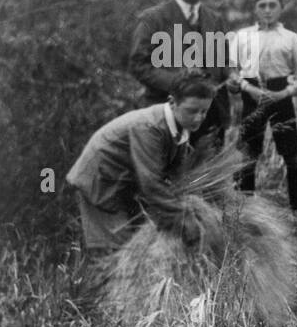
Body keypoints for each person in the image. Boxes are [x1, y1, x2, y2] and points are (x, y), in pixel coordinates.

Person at [67, 73, 217, 255]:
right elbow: (151, 184)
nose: (198, 118)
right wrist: (183, 217)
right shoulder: (149, 128)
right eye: (192, 111)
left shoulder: (180, 127)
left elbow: (176, 173)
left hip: (126, 185)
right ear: (172, 102)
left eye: (204, 112)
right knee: (118, 253)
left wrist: (192, 205)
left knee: (142, 245)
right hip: (101, 184)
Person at [128, 0, 238, 146]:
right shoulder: (153, 19)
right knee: (170, 172)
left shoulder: (216, 20)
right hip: (168, 115)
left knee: (208, 174)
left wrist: (231, 77)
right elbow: (139, 65)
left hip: (210, 117)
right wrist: (179, 81)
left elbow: (223, 64)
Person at [233, 0, 297, 211]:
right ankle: (244, 208)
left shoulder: (291, 38)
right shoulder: (242, 36)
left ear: (281, 7)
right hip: (252, 95)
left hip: (281, 96)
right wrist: (249, 88)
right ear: (255, 9)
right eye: (262, 5)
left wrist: (284, 92)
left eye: (272, 5)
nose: (267, 10)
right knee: (247, 153)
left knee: (291, 152)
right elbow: (230, 72)